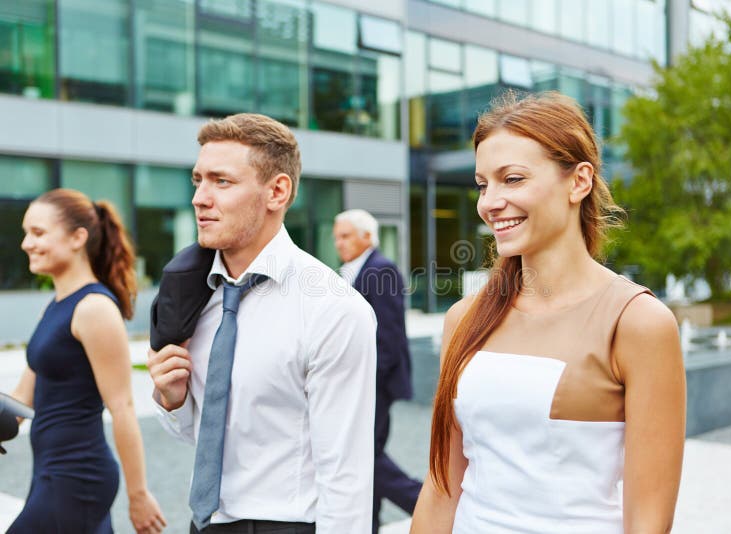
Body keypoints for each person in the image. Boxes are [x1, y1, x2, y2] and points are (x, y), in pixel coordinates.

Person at [411, 91, 686, 533]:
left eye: (513, 179)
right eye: (483, 184)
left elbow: (648, 522)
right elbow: (442, 488)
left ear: (579, 182)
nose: (490, 202)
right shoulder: (464, 319)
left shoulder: (637, 322)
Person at [146, 113, 377, 533]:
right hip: (205, 523)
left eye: (221, 181)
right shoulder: (188, 294)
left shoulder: (334, 309)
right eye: (198, 180)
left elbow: (346, 475)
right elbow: (196, 435)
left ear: (277, 191)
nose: (199, 197)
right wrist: (172, 400)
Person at [10, 188, 166, 533]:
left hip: (77, 475)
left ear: (78, 237)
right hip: (51, 472)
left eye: (37, 233)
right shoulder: (55, 306)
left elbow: (123, 406)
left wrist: (138, 494)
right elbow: (23, 396)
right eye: (26, 233)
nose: (26, 243)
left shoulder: (94, 308)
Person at [333, 209, 423, 533]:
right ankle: (367, 525)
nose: (338, 242)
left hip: (373, 384)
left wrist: (368, 385)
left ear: (367, 237)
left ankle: (425, 502)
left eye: (345, 236)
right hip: (362, 383)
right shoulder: (353, 271)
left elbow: (389, 335)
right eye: (337, 236)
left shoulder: (380, 270)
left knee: (364, 458)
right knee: (366, 457)